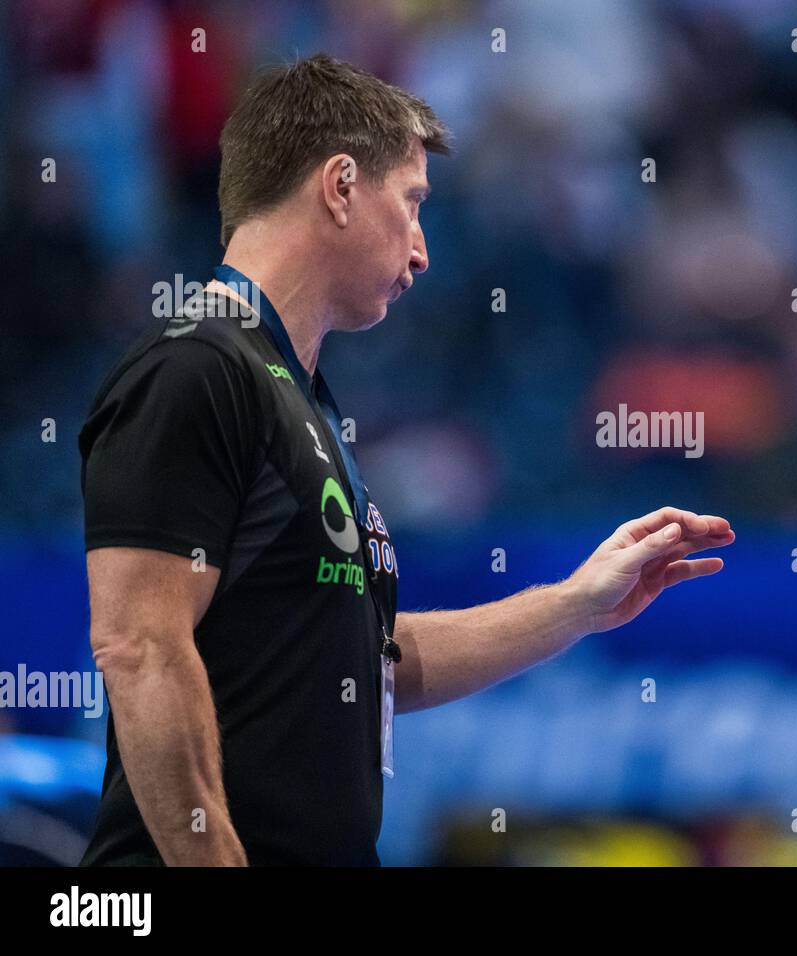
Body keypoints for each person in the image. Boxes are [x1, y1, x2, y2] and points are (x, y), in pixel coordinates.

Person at [77, 54, 733, 866]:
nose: (423, 252)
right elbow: (137, 644)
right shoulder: (196, 368)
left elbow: (366, 659)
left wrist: (578, 605)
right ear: (341, 185)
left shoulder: (301, 394)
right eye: (412, 204)